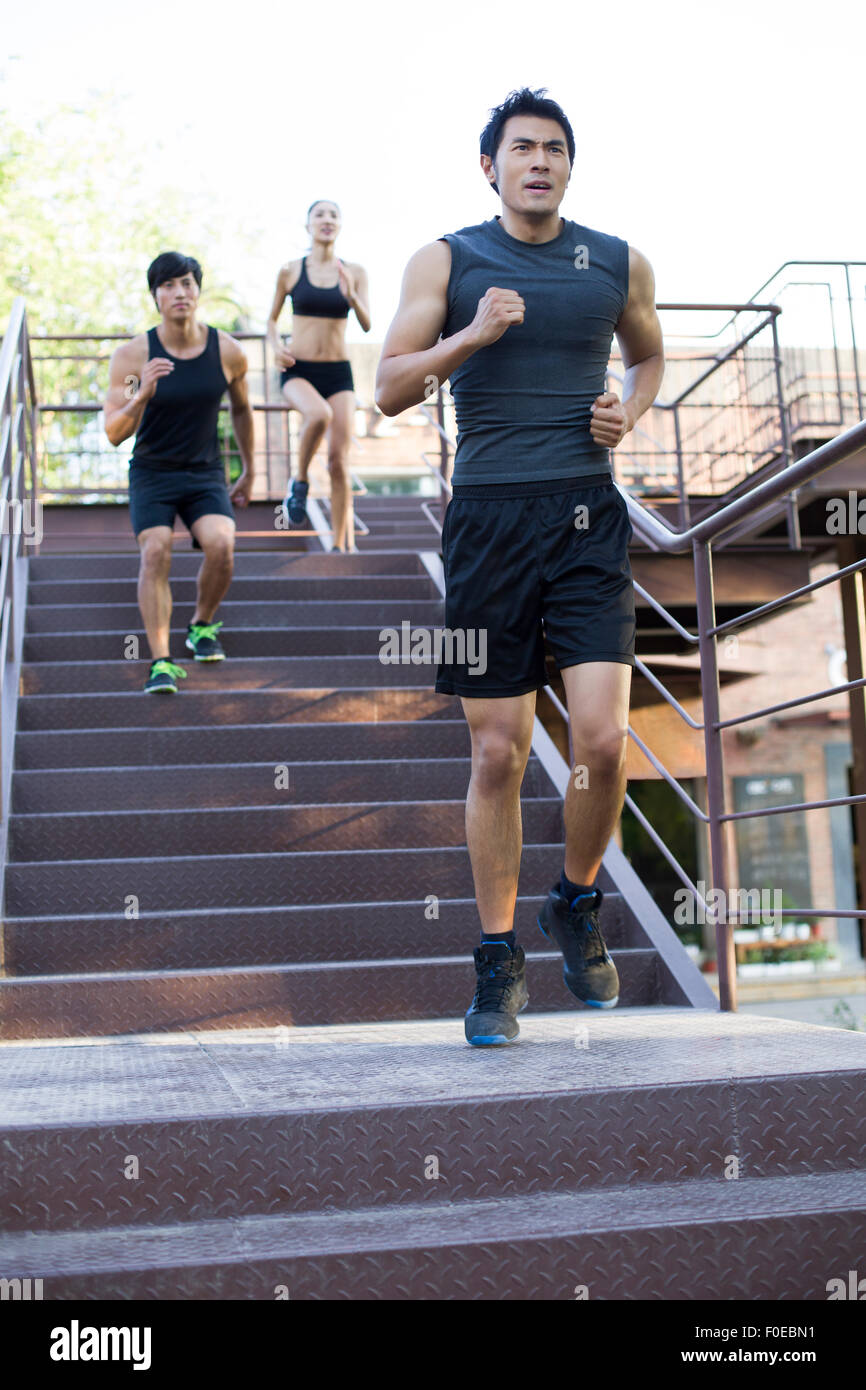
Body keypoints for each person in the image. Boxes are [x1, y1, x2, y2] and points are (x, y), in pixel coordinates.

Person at [375, 88, 665, 1046]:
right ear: (489, 166)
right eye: (520, 149)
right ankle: (498, 961)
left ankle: (574, 901)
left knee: (601, 742)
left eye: (554, 149)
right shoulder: (448, 259)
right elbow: (387, 390)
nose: (538, 162)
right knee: (496, 749)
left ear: (570, 167)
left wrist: (631, 405)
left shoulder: (616, 262)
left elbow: (650, 358)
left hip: (587, 517)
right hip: (487, 525)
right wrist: (469, 338)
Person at [104, 252, 255, 692]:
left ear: (198, 291)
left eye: (186, 283)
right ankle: (161, 662)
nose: (179, 293)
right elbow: (114, 432)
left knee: (222, 545)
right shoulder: (132, 356)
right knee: (155, 551)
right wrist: (143, 394)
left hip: (205, 472)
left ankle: (201, 625)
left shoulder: (228, 350)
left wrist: (249, 469)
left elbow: (243, 410)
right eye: (168, 285)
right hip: (152, 472)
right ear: (156, 296)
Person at [266, 200, 371, 552]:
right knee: (317, 414)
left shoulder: (354, 270)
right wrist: (274, 347)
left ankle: (344, 548)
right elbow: (270, 319)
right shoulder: (290, 271)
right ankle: (299, 480)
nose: (327, 220)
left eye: (334, 215)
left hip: (338, 373)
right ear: (308, 224)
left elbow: (368, 324)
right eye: (320, 215)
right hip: (299, 369)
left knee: (339, 462)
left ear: (340, 225)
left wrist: (352, 296)